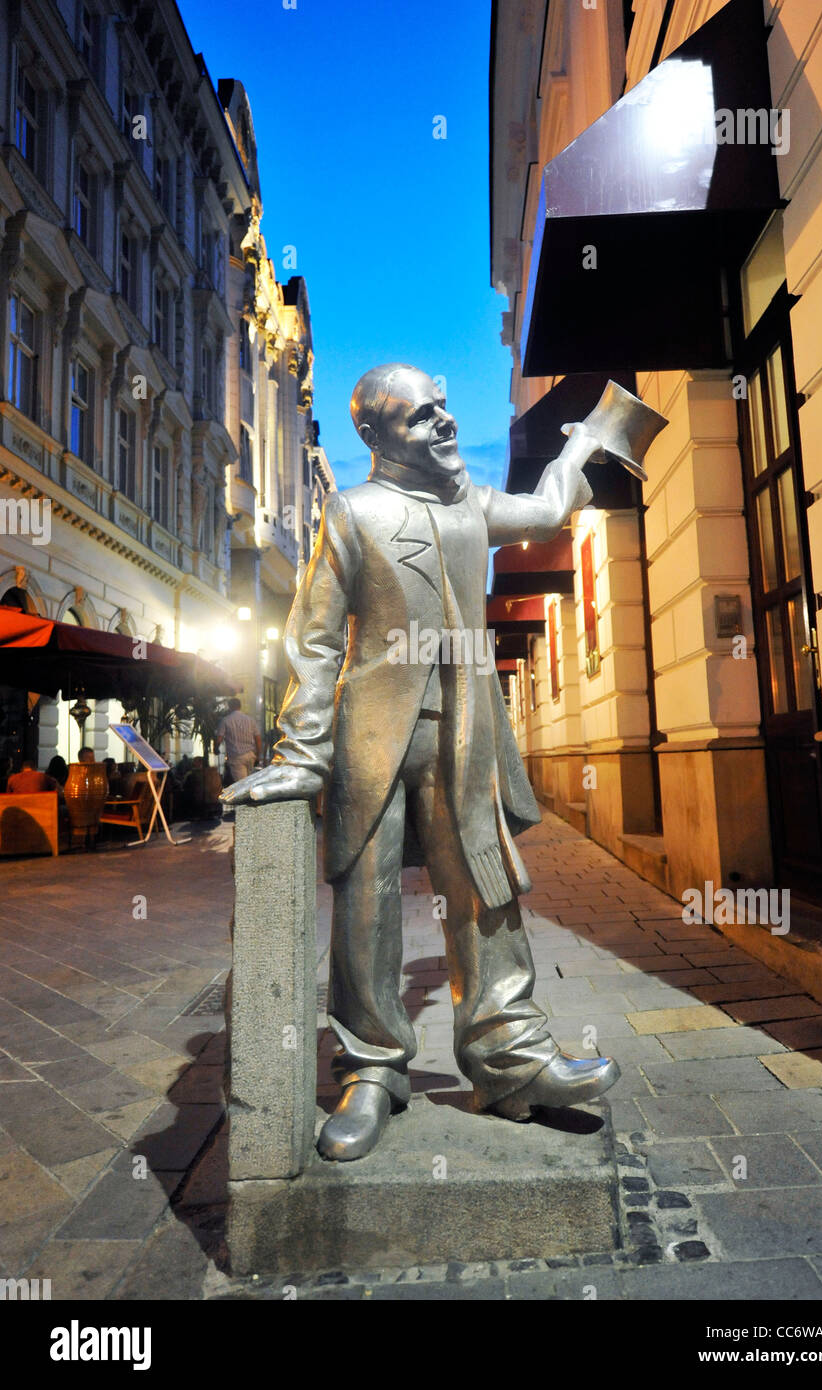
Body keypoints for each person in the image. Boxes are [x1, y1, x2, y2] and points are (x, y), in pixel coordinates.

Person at [222, 363, 621, 1162]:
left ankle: (510, 1059)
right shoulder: (353, 510)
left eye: (443, 407)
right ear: (374, 435)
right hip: (371, 738)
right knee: (366, 904)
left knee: (485, 884)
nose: (442, 423)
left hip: (464, 734)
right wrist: (303, 754)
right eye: (418, 417)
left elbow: (546, 509)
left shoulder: (472, 502)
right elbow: (313, 641)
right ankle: (370, 1071)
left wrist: (585, 446)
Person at [216, 699, 261, 784]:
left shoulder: (225, 720)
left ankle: (247, 797)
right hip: (250, 756)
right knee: (249, 782)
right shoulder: (250, 720)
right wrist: (258, 756)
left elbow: (219, 738)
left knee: (241, 785)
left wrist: (216, 748)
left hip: (236, 757)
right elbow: (258, 739)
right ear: (240, 706)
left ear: (230, 707)